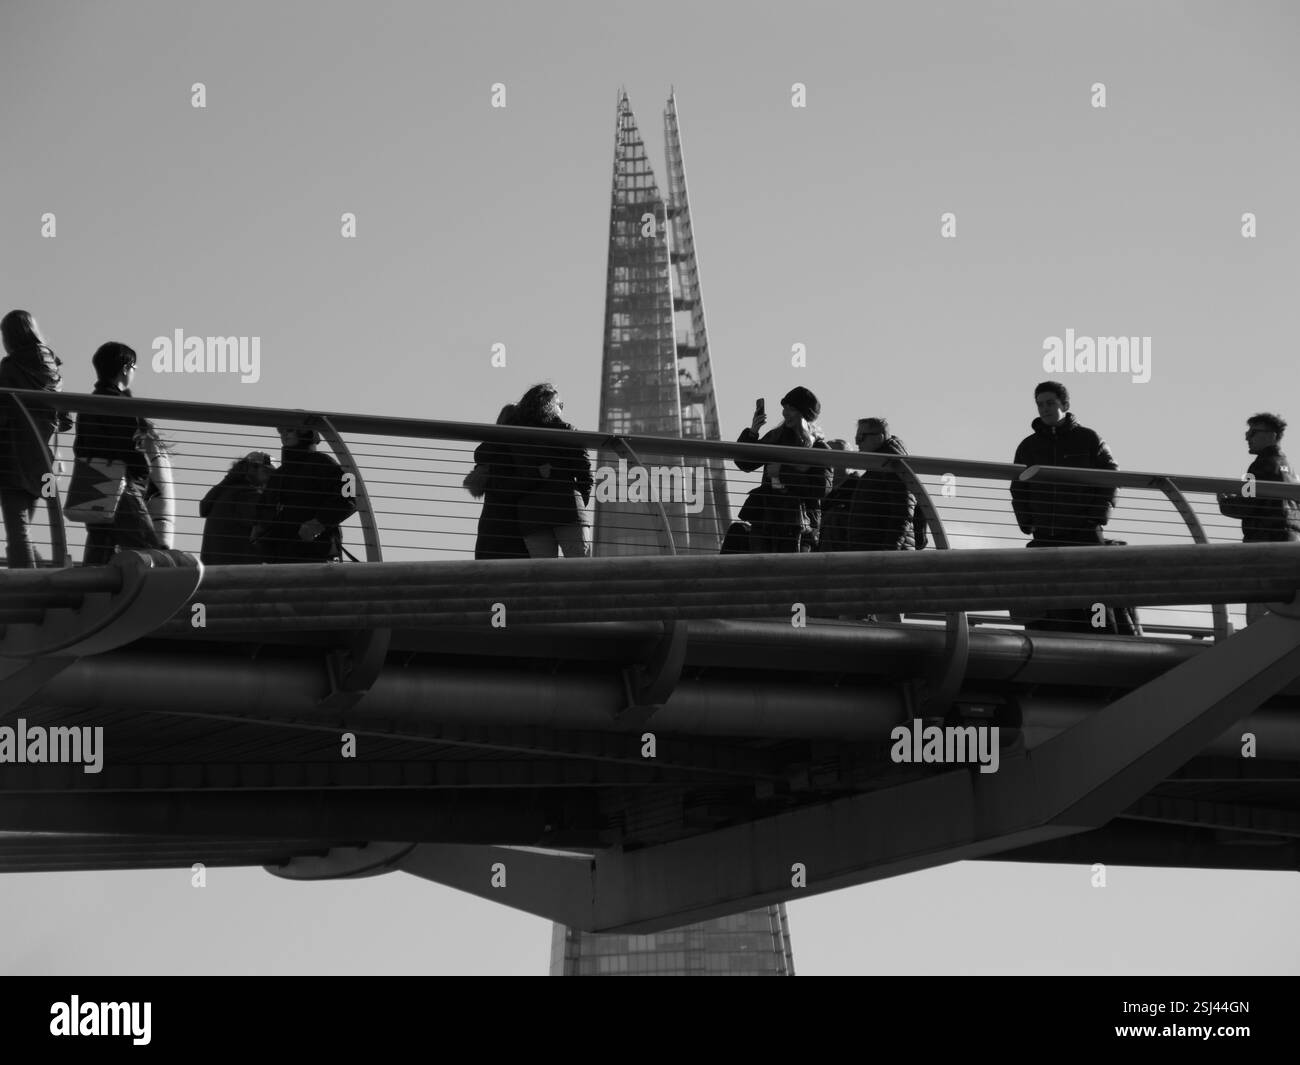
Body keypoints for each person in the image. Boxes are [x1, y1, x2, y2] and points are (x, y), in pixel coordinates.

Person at [1009, 380, 1122, 633]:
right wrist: (1028, 522)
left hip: (1083, 530)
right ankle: (1053, 639)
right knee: (1050, 592)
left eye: (1050, 403)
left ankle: (1102, 637)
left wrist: (1097, 516)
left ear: (1065, 405)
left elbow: (1111, 477)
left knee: (1094, 591)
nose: (1044, 409)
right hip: (1046, 532)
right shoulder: (1028, 446)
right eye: (1040, 404)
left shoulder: (1089, 439)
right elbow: (1018, 488)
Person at [73, 342, 164, 565]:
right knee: (150, 553)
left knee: (100, 550)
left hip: (93, 483)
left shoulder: (89, 404)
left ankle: (88, 595)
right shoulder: (120, 405)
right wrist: (143, 476)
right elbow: (128, 446)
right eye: (134, 367)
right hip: (121, 486)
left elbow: (79, 447)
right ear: (125, 368)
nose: (134, 372)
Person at [0, 310, 72, 568]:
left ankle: (27, 588)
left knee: (17, 530)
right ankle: (37, 578)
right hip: (41, 460)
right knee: (23, 529)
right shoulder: (52, 367)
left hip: (12, 459)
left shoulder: (8, 369)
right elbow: (65, 419)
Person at [1217, 412, 1300, 624]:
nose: (1247, 437)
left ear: (1272, 436)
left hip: (1263, 544)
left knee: (1258, 609)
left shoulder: (1258, 466)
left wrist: (1225, 501)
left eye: (1253, 432)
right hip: (1291, 545)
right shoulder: (1291, 470)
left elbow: (1246, 503)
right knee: (1283, 611)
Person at [734, 386, 832, 553]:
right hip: (767, 520)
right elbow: (745, 464)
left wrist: (783, 472)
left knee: (791, 574)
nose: (785, 413)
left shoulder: (819, 447)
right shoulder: (776, 436)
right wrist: (752, 432)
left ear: (804, 414)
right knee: (762, 572)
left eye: (791, 409)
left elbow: (822, 488)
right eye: (784, 408)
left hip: (801, 524)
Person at [843, 418, 920, 622]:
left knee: (884, 616)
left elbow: (902, 513)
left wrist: (888, 554)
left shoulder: (893, 466)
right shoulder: (881, 466)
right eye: (856, 437)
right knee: (858, 615)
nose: (857, 443)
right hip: (873, 555)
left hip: (884, 557)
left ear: (879, 437)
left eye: (862, 437)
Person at [509, 383, 592, 559]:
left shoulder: (518, 437)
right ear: (550, 406)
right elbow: (585, 473)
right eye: (559, 404)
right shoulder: (567, 431)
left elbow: (515, 475)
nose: (562, 408)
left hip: (531, 513)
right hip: (567, 508)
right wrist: (579, 502)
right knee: (583, 570)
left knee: (543, 575)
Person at [253, 426, 356, 563]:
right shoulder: (279, 474)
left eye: (289, 430)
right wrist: (259, 534)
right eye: (281, 431)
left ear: (304, 432)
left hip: (316, 555)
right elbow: (262, 509)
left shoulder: (323, 463)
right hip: (280, 558)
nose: (284, 434)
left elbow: (349, 496)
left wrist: (317, 525)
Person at [466, 404, 528, 560]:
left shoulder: (488, 455)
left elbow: (477, 485)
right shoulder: (521, 452)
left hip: (490, 525)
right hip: (518, 524)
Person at [200, 451, 273, 564]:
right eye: (267, 472)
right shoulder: (245, 494)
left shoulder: (225, 493)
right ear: (251, 469)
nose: (271, 478)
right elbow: (262, 517)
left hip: (214, 573)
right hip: (236, 574)